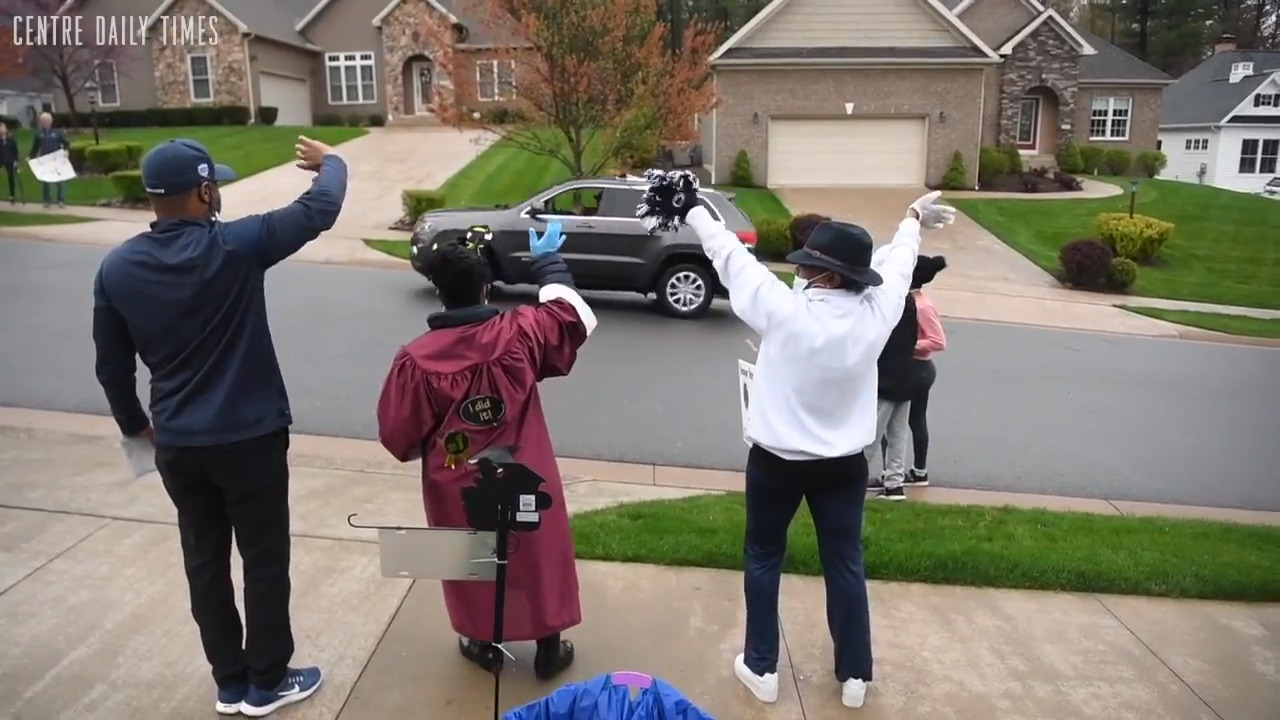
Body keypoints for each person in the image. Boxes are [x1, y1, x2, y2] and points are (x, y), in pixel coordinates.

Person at [638, 174, 954, 710]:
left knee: (763, 557)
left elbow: (727, 257)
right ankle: (854, 677)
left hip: (776, 464)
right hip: (843, 467)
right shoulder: (878, 313)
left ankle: (761, 668)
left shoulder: (783, 311)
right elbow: (899, 265)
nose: (799, 267)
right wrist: (911, 219)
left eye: (807, 263)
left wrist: (691, 207)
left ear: (827, 275)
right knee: (844, 563)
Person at [91, 135, 348, 717]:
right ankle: (268, 681)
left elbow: (111, 367)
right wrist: (333, 161)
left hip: (178, 443)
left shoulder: (117, 267)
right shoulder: (235, 245)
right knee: (263, 560)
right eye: (216, 188)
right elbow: (320, 208)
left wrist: (137, 428)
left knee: (203, 559)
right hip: (249, 437)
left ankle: (229, 682)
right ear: (205, 191)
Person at [376, 221, 596, 681]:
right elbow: (573, 316)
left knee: (469, 561)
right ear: (486, 287)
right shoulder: (521, 333)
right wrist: (548, 263)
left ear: (438, 290)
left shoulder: (416, 360)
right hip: (524, 471)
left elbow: (398, 437)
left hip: (456, 482)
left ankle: (484, 643)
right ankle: (548, 649)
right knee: (535, 552)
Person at [866, 291, 918, 501]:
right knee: (898, 433)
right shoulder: (909, 303)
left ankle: (854, 478)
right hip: (905, 374)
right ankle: (894, 484)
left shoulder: (883, 304)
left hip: (884, 377)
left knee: (871, 433)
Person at [906, 256, 948, 486]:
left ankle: (913, 471)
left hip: (917, 368)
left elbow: (937, 341)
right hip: (914, 368)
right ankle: (917, 472)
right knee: (911, 419)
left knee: (903, 419)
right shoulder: (910, 300)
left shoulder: (922, 306)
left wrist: (907, 346)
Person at [30, 112, 69, 208]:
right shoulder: (39, 134)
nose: (45, 123)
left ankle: (61, 200)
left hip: (56, 160)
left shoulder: (58, 133)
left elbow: (66, 143)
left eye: (47, 120)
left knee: (60, 181)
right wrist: (31, 157)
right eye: (43, 121)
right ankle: (46, 200)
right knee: (45, 182)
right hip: (45, 160)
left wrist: (66, 151)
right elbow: (35, 147)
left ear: (51, 121)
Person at [0, 124, 19, 203]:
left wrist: (15, 160)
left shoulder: (11, 139)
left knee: (11, 178)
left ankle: (12, 195)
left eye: (3, 128)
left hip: (10, 161)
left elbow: (15, 151)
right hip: (1, 160)